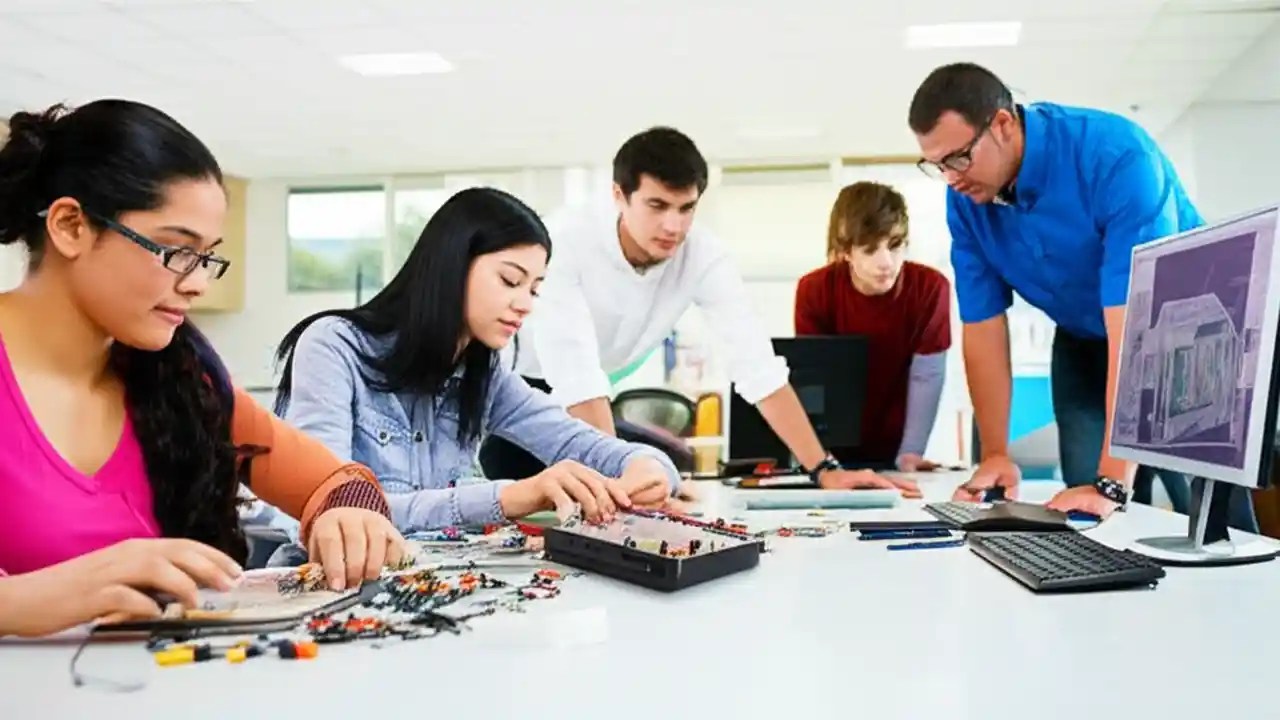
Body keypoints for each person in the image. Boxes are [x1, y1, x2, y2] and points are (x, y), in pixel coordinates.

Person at [0, 100, 404, 638]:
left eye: (207, 257)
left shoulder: (183, 378)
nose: (197, 283)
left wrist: (348, 516)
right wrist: (32, 598)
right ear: (71, 226)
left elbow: (337, 481)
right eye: (175, 251)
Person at [486, 126, 920, 498]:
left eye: (686, 208)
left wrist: (825, 470)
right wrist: (627, 483)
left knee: (669, 463)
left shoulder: (703, 255)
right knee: (572, 493)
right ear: (620, 196)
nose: (673, 226)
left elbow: (757, 368)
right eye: (657, 206)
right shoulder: (563, 240)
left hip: (592, 398)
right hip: (521, 395)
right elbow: (576, 377)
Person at [908, 62, 1251, 527]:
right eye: (937, 165)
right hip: (1083, 336)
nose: (951, 177)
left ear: (1004, 124)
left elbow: (1138, 326)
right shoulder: (969, 201)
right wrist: (994, 454)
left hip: (1184, 339)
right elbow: (983, 325)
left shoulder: (1115, 156)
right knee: (1083, 511)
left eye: (959, 157)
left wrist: (1113, 481)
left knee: (1207, 518)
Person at [273, 187, 682, 535]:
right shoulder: (333, 347)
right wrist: (512, 496)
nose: (524, 305)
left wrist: (650, 469)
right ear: (452, 265)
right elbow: (324, 506)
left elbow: (580, 443)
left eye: (534, 290)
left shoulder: (484, 376)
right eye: (509, 280)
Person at [794, 181, 951, 472]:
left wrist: (911, 453)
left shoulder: (931, 288)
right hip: (833, 449)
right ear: (845, 251)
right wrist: (820, 461)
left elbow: (927, 376)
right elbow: (816, 381)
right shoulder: (814, 290)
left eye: (895, 246)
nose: (886, 263)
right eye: (869, 250)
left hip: (901, 444)